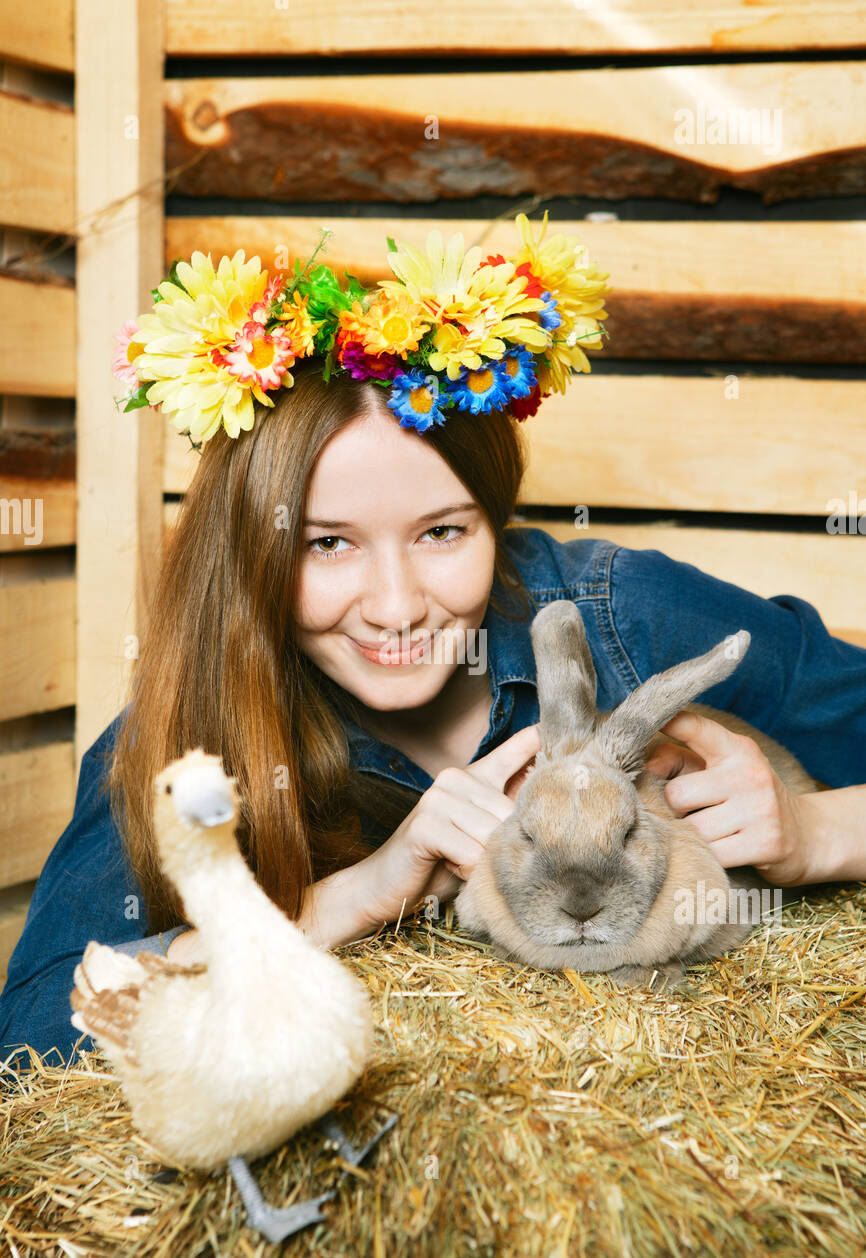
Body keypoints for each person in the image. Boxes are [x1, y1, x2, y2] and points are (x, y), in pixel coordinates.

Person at [2, 222, 865, 1069]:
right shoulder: (187, 727)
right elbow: (28, 1045)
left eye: (443, 533)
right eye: (326, 544)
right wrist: (346, 902)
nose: (396, 606)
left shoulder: (619, 612)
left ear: (497, 518)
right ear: (255, 549)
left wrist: (818, 830)